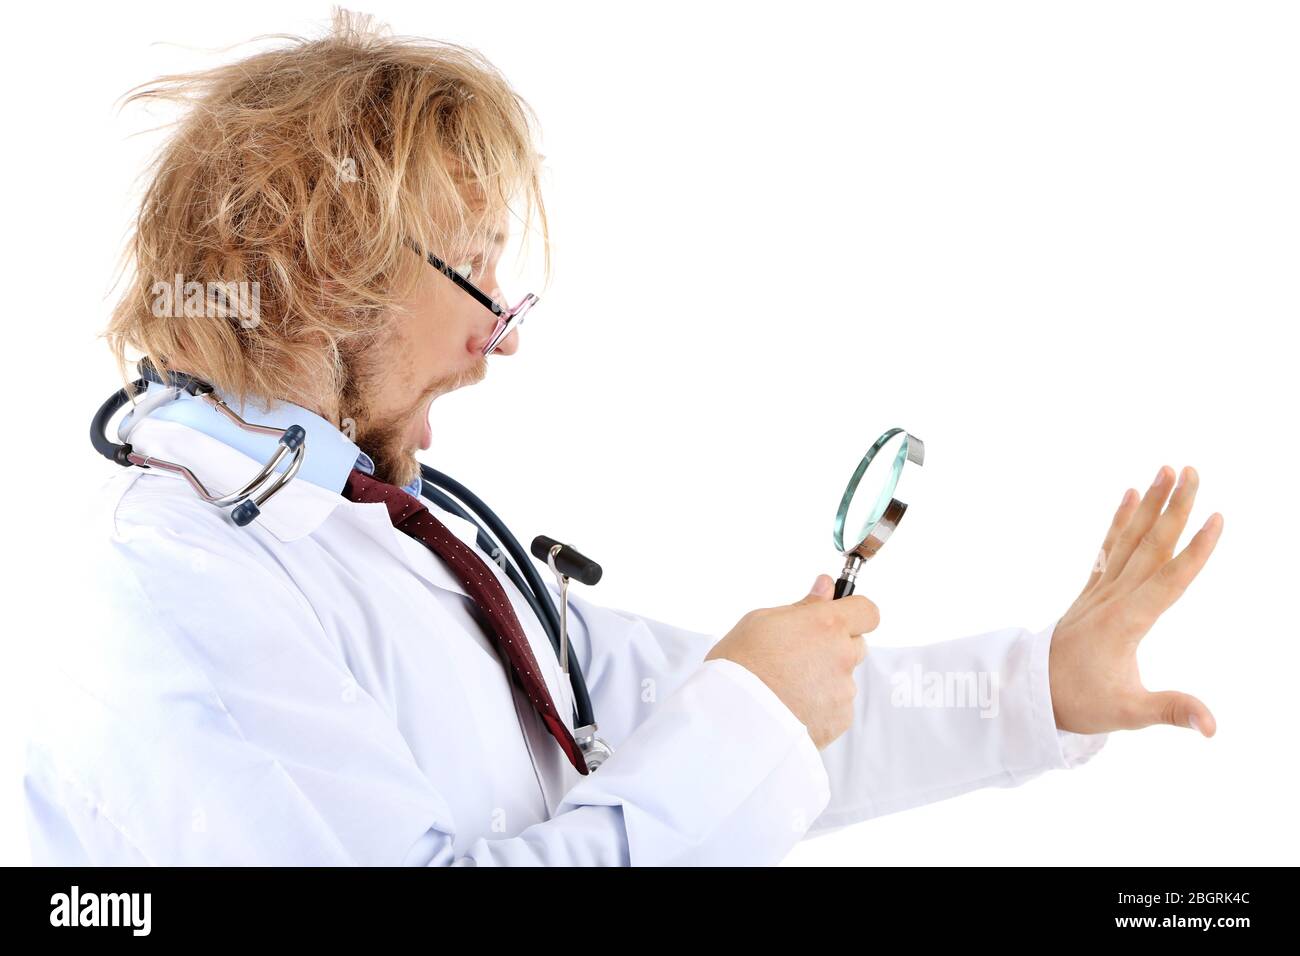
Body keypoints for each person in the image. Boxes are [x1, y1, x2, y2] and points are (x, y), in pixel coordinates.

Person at [24, 11, 1223, 866]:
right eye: (475, 267)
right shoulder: (168, 581)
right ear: (334, 268)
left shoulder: (392, 530)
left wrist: (1033, 689)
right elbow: (727, 736)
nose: (502, 334)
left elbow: (694, 720)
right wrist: (748, 713)